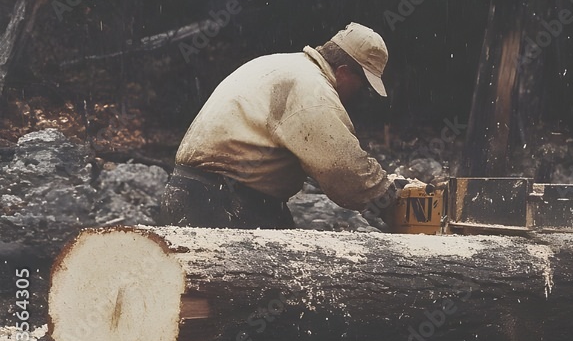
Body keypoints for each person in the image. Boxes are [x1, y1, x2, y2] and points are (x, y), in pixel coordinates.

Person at [159, 22, 397, 229]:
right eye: (362, 85)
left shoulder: (282, 65)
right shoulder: (312, 90)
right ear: (344, 71)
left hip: (191, 190)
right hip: (223, 202)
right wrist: (387, 196)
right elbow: (341, 169)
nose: (361, 93)